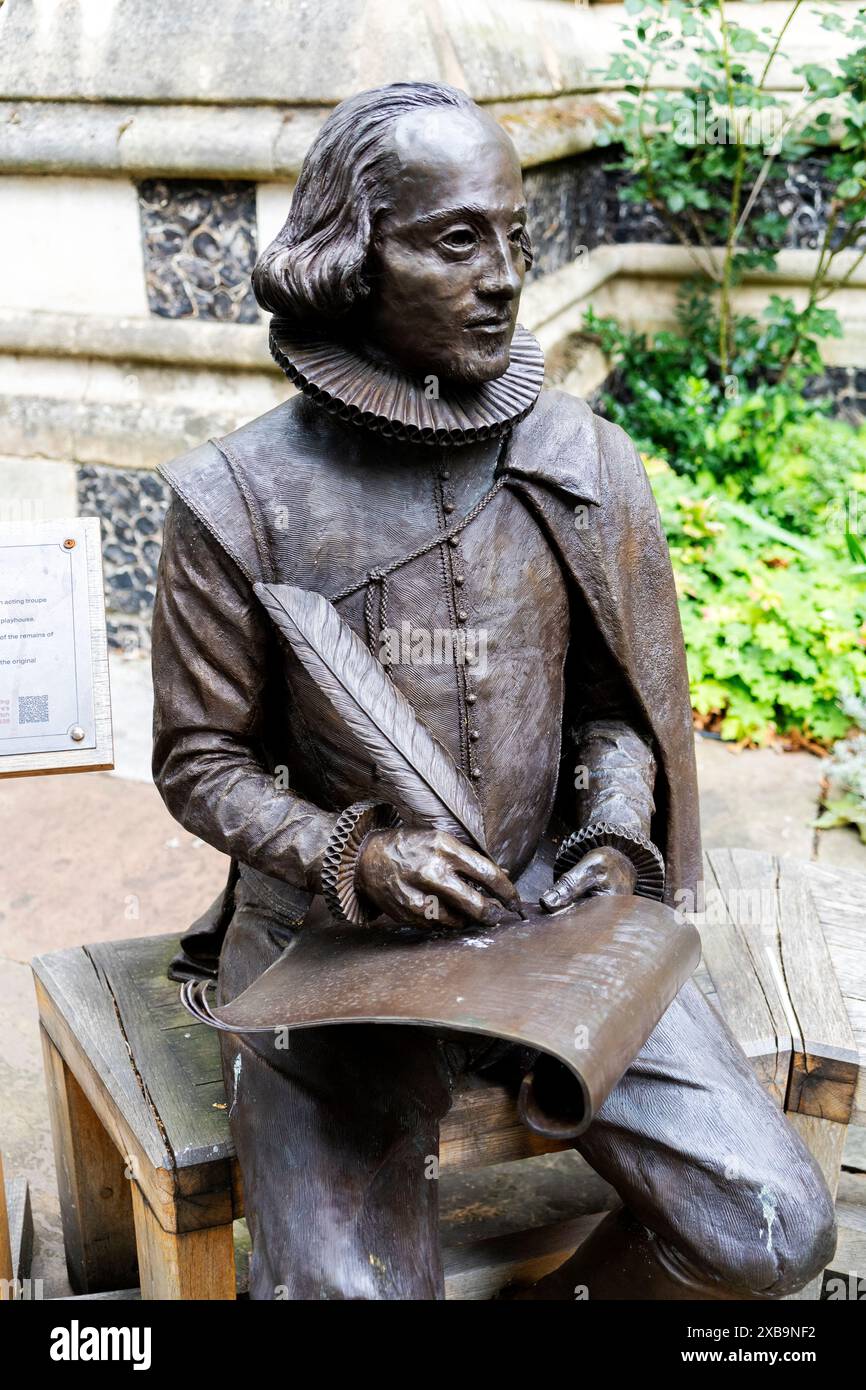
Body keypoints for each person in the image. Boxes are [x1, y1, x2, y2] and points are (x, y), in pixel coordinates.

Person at [151, 82, 836, 1300]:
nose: (505, 275)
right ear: (350, 264)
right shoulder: (237, 496)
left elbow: (613, 711)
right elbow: (201, 762)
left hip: (549, 919)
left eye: (514, 236)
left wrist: (614, 829)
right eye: (454, 239)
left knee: (776, 1231)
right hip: (331, 949)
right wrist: (352, 860)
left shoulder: (579, 459)